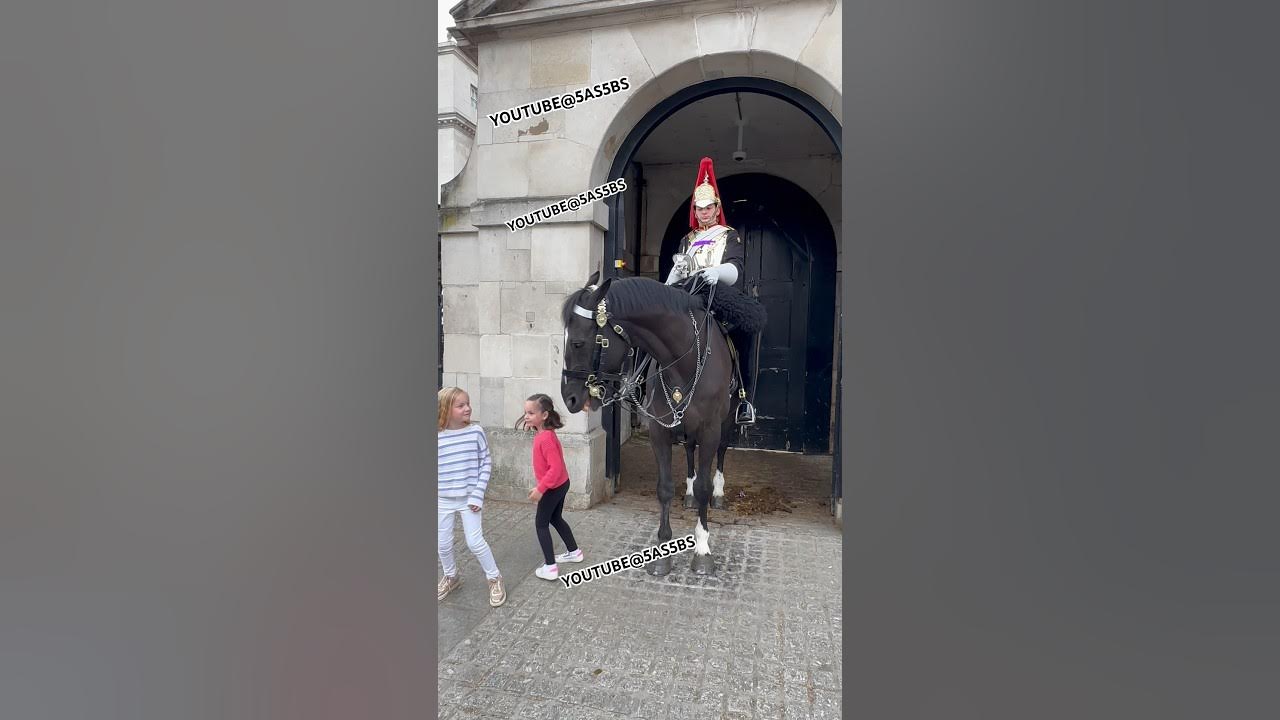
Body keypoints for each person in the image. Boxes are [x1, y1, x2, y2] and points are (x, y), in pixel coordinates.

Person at [664, 156, 760, 424]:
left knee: (744, 334)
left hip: (718, 296)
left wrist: (715, 272)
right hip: (689, 295)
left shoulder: (728, 235)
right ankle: (645, 388)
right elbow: (681, 268)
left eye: (708, 208)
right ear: (694, 210)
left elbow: (736, 269)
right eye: (699, 208)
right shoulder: (687, 239)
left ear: (717, 209)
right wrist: (671, 281)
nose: (704, 212)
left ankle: (744, 397)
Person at [437, 387, 506, 607]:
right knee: (442, 544)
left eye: (468, 403)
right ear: (446, 409)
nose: (467, 408)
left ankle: (494, 578)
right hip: (442, 500)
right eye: (460, 405)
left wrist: (478, 495)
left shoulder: (476, 432)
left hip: (470, 500)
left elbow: (486, 462)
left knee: (475, 542)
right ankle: (451, 576)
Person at [516, 393, 584, 581]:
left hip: (554, 487)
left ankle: (550, 567)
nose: (526, 416)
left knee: (541, 524)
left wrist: (540, 489)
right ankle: (574, 552)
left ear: (544, 415)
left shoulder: (545, 438)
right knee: (555, 518)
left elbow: (555, 468)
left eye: (531, 413)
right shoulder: (545, 434)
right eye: (525, 412)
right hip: (560, 484)